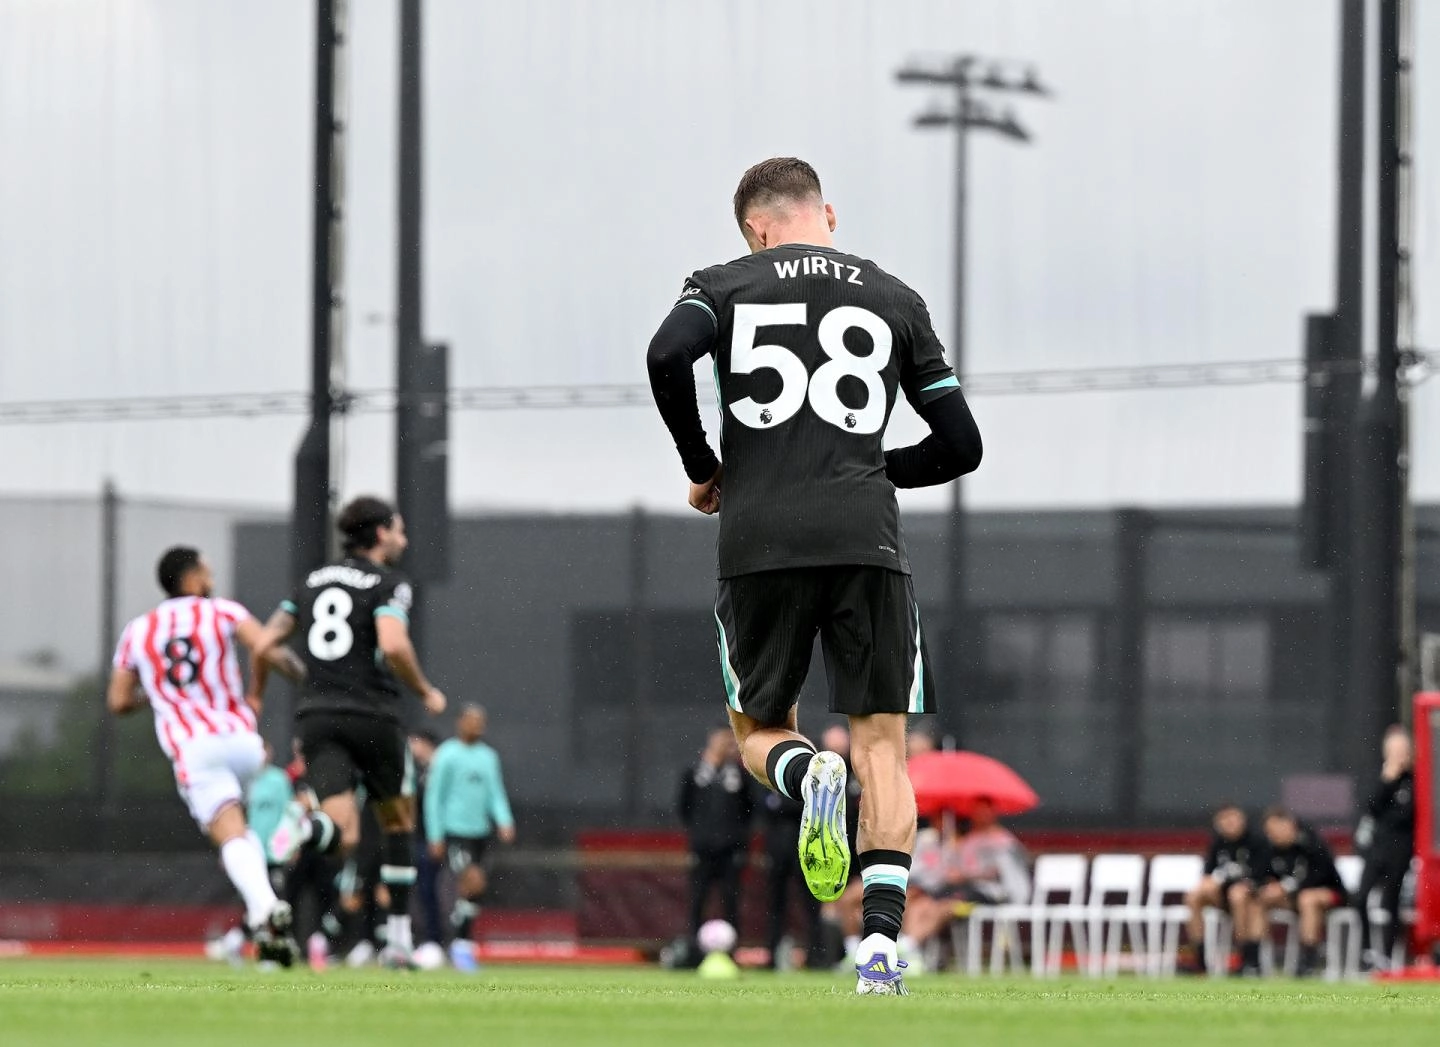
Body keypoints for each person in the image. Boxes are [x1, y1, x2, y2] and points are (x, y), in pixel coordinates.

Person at [646, 157, 983, 996]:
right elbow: (962, 444)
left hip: (759, 538)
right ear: (825, 214)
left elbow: (665, 358)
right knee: (884, 751)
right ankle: (877, 954)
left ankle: (805, 775)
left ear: (756, 227)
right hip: (866, 541)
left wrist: (704, 464)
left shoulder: (722, 283)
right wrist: (873, 472)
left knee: (761, 728)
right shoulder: (894, 297)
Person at [253, 495, 447, 969]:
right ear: (380, 534)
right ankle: (399, 941)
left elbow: (264, 643)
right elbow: (394, 644)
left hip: (317, 716)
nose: (403, 539)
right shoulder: (389, 583)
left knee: (341, 834)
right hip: (373, 715)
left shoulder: (312, 581)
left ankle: (303, 826)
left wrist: (300, 680)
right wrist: (424, 690)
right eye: (399, 530)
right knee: (399, 821)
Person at [107, 545, 306, 966]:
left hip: (195, 747)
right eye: (206, 571)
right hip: (242, 741)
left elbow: (118, 701)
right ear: (192, 578)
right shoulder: (223, 612)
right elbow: (266, 646)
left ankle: (266, 908)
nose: (211, 576)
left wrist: (158, 691)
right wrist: (259, 691)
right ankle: (264, 926)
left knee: (230, 835)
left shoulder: (138, 630)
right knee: (244, 834)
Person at [425, 704, 516, 972]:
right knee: (471, 881)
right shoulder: (447, 755)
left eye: (481, 722)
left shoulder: (488, 757)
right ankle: (459, 943)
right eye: (472, 721)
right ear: (460, 722)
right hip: (455, 832)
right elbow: (434, 797)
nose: (477, 726)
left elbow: (495, 793)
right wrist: (435, 834)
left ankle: (458, 940)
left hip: (480, 832)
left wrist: (504, 820)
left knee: (475, 889)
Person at [899, 799, 1028, 961]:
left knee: (945, 907)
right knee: (922, 905)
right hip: (959, 889)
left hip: (986, 894)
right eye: (977, 810)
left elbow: (1002, 875)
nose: (980, 815)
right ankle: (910, 949)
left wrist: (966, 875)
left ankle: (908, 947)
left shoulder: (1003, 841)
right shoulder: (966, 840)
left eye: (984, 810)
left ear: (993, 812)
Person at [677, 728, 756, 952]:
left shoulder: (739, 775)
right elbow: (684, 808)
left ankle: (731, 951)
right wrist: (699, 834)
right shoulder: (694, 773)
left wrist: (738, 840)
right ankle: (694, 951)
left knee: (730, 901)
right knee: (698, 901)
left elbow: (748, 810)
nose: (727, 747)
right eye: (723, 741)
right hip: (702, 849)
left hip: (730, 850)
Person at [1253, 807, 1346, 977]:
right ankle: (1254, 959)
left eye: (1276, 830)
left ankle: (1308, 961)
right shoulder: (1270, 849)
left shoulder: (1311, 843)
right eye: (1269, 831)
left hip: (1328, 894)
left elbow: (1320, 877)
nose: (1273, 835)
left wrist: (1285, 888)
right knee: (1259, 899)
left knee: (1307, 899)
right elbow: (1260, 876)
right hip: (1292, 898)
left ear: (1290, 825)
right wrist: (1269, 886)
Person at [1355, 725, 1416, 970]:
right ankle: (1367, 950)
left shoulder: (1415, 780)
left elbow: (1408, 815)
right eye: (1394, 750)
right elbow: (1372, 808)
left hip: (1401, 850)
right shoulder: (1380, 778)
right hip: (1377, 849)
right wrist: (1387, 780)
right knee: (1360, 898)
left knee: (1391, 901)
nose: (1398, 755)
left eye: (1402, 749)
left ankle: (1388, 956)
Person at [1179, 803, 1265, 975]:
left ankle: (1244, 958)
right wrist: (1211, 884)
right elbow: (1208, 874)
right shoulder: (1218, 843)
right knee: (1193, 897)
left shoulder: (1257, 841)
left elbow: (1262, 877)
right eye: (1224, 820)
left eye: (1233, 818)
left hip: (1250, 898)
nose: (1229, 823)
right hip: (1222, 897)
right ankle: (1200, 959)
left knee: (1239, 895)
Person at [408, 729, 445, 962]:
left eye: (416, 742)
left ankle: (436, 940)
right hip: (420, 839)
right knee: (422, 890)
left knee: (433, 890)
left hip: (435, 840)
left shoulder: (440, 768)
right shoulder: (420, 772)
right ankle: (426, 940)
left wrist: (436, 836)